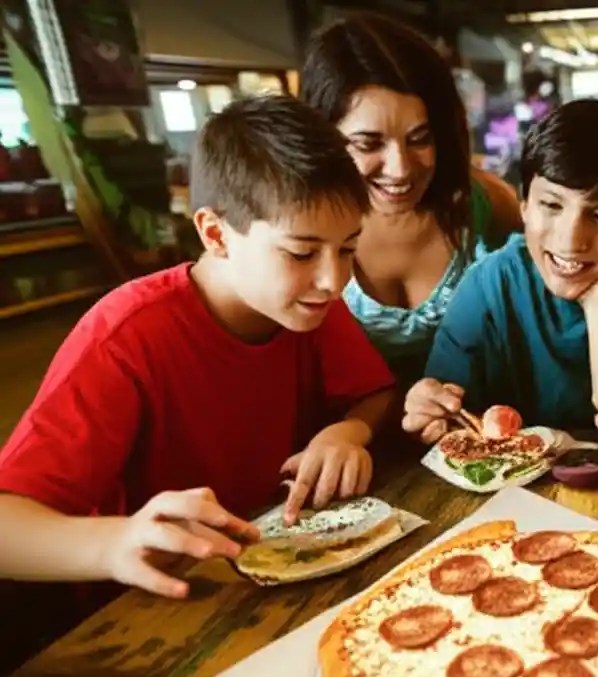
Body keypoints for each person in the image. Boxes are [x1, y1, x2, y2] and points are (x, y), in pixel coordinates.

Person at [0, 95, 396, 599]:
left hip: (278, 568)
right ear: (215, 234)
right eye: (301, 251)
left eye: (347, 249)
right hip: (154, 600)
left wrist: (347, 431)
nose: (333, 279)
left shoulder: (306, 305)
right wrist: (112, 543)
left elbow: (376, 392)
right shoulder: (126, 335)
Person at [402, 100, 598, 442]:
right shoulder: (488, 284)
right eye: (552, 205)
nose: (571, 240)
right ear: (524, 205)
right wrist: (430, 410)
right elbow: (446, 412)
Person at [301, 14, 522, 388]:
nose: (400, 169)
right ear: (323, 138)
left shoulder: (489, 207)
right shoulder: (296, 228)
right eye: (368, 144)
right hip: (350, 440)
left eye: (420, 138)